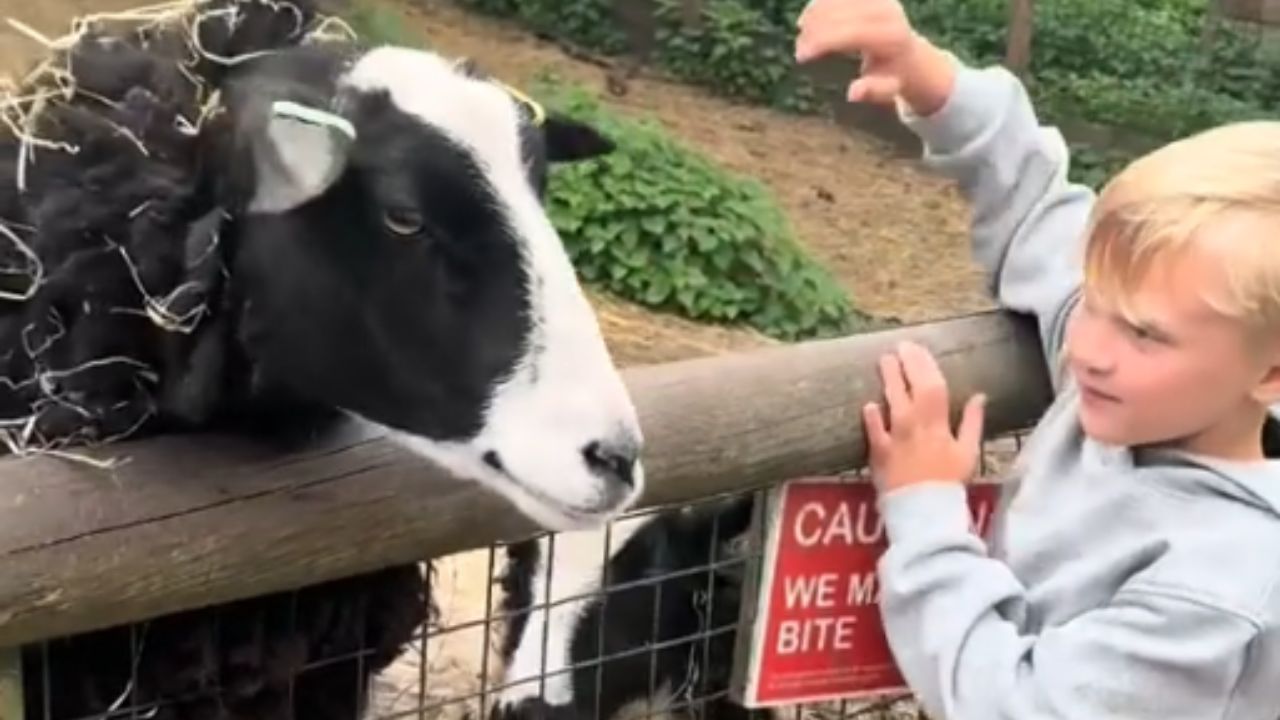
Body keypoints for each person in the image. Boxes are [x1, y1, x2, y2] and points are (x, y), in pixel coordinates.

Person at [793, 1, 1280, 718]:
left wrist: (926, 513)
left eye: (1143, 335)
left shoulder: (1219, 579)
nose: (1087, 348)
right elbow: (1036, 210)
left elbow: (1013, 705)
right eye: (1096, 300)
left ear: (1269, 375)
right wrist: (929, 79)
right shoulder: (1134, 391)